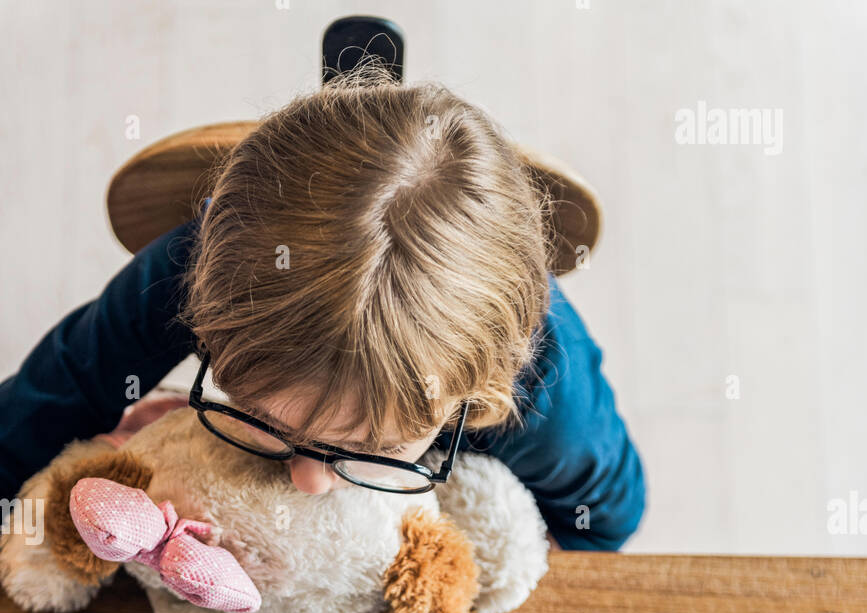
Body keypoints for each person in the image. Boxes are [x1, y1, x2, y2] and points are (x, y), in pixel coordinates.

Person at [0, 72, 644, 550]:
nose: (307, 481)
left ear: (472, 399)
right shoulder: (191, 270)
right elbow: (30, 423)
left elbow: (603, 524)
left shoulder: (548, 404)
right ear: (203, 315)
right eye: (258, 417)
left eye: (377, 449)